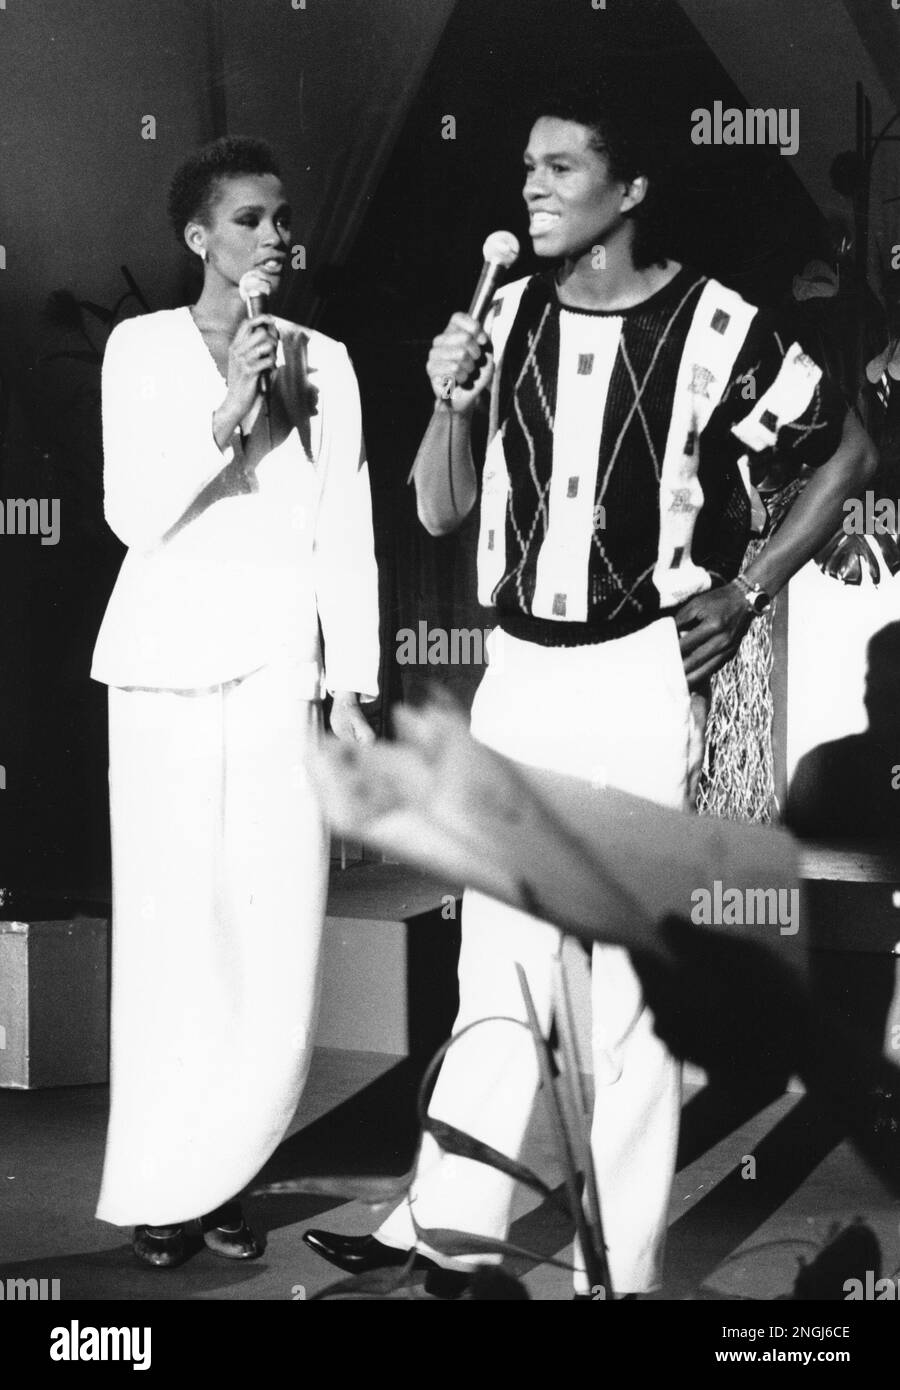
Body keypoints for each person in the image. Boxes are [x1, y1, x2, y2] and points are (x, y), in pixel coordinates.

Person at [304, 85, 875, 1298]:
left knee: (622, 991)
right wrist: (449, 397)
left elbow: (845, 452)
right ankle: (448, 1231)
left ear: (632, 191)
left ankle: (619, 1271)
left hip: (634, 679)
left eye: (563, 166)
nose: (534, 186)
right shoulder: (500, 314)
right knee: (496, 970)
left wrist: (754, 586)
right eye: (526, 167)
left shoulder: (718, 323)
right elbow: (439, 507)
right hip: (516, 675)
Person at [91, 136, 380, 1268]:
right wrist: (228, 410)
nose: (276, 236)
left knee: (269, 935)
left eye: (283, 217)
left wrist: (350, 683)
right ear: (199, 238)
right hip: (162, 674)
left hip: (276, 675)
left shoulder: (331, 363)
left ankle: (228, 1173)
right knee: (173, 934)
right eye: (250, 218)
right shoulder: (139, 349)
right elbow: (127, 512)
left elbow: (342, 530)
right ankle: (165, 1185)